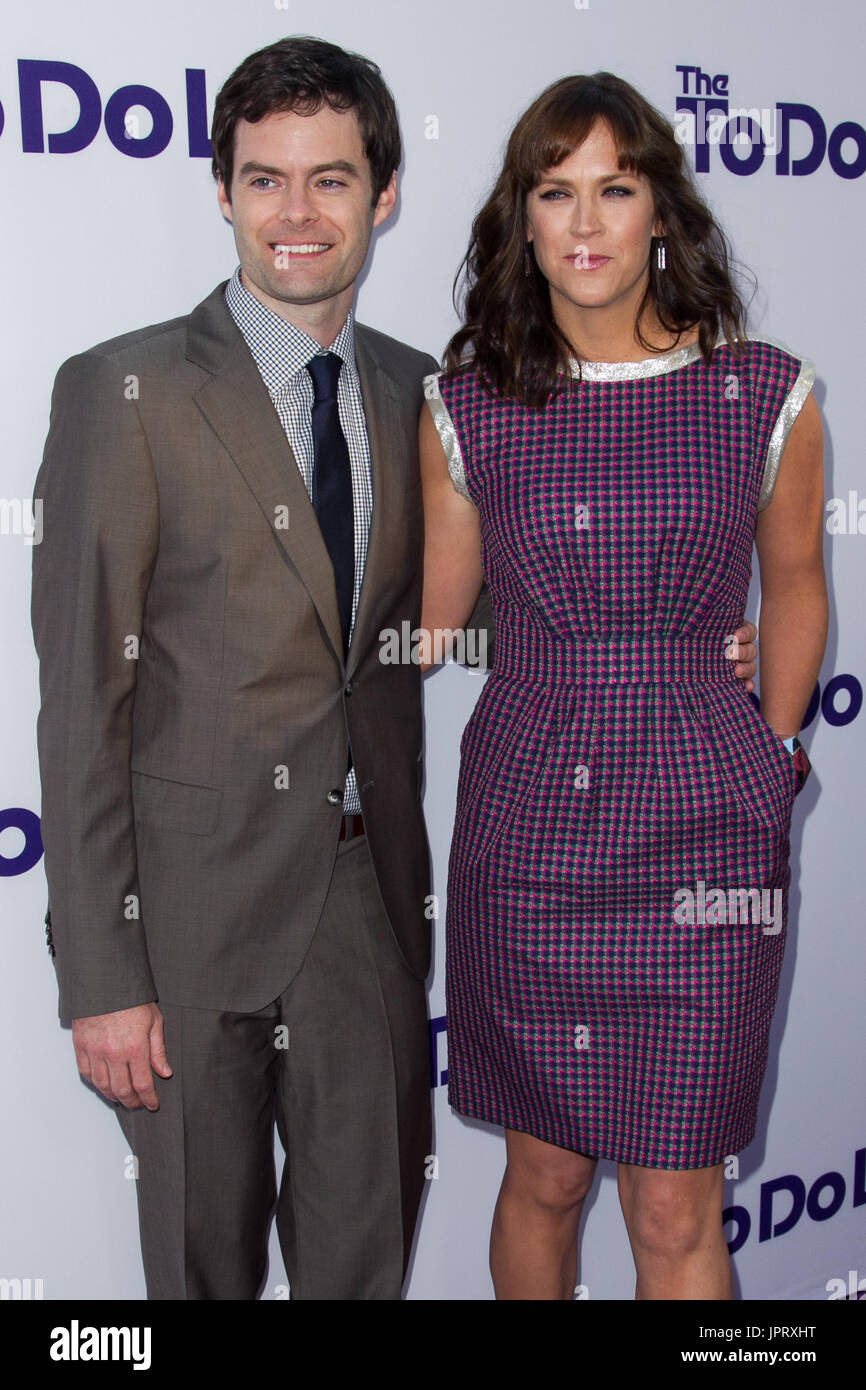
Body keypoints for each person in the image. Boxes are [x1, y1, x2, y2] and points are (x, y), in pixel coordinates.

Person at [31, 35, 447, 1301]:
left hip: (365, 916)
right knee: (198, 1284)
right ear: (221, 192)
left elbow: (475, 615)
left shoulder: (423, 396)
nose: (296, 214)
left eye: (329, 179)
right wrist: (103, 978)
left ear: (382, 193)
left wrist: (709, 644)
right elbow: (81, 705)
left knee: (359, 1272)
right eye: (264, 179)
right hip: (188, 930)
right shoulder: (126, 391)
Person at [419, 72, 825, 1300]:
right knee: (542, 1175)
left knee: (672, 1203)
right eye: (555, 192)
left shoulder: (763, 392)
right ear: (523, 219)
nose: (584, 222)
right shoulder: (465, 403)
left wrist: (773, 746)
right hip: (531, 829)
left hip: (706, 825)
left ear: (660, 211)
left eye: (614, 187)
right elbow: (431, 627)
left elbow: (797, 582)